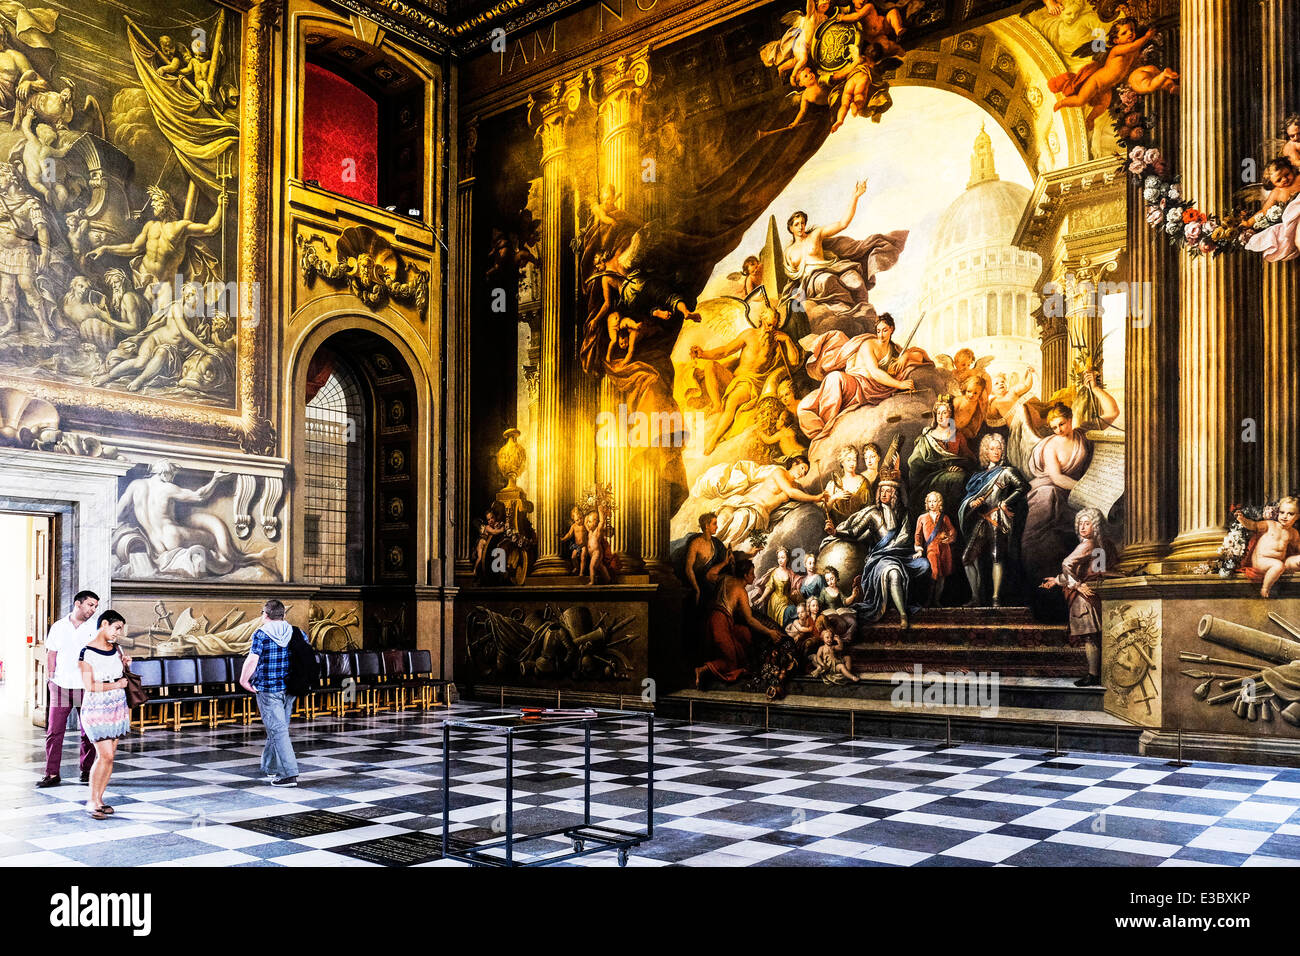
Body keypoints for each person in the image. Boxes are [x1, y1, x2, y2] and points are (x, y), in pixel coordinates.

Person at [1040, 507, 1117, 686]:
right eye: (1080, 523)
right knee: (1096, 637)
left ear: (1095, 526)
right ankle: (1097, 673)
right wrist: (1059, 580)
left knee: (1091, 638)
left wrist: (1076, 585)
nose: (1082, 527)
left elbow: (1067, 564)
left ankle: (1093, 674)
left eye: (1087, 523)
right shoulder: (1102, 544)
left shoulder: (1086, 545)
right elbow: (1095, 572)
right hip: (1095, 593)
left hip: (1084, 599)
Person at [38, 590, 100, 788]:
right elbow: (51, 653)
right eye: (90, 605)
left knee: (88, 732)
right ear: (78, 604)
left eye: (95, 606)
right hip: (61, 686)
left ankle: (87, 770)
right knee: (54, 732)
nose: (93, 609)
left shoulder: (95, 628)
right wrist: (51, 678)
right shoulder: (59, 626)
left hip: (86, 687)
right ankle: (52, 773)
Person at [959, 433, 1028, 607]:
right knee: (967, 558)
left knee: (996, 557)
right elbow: (968, 500)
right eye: (992, 448)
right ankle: (975, 597)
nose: (996, 451)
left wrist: (1005, 502)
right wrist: (972, 502)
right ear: (985, 452)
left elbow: (1023, 487)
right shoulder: (977, 477)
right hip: (982, 519)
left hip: (997, 517)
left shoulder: (1007, 472)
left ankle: (996, 597)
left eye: (999, 448)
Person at [238, 599, 300, 787]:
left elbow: (252, 659)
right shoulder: (296, 632)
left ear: (264, 614)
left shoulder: (261, 634)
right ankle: (270, 766)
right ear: (284, 615)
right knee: (278, 728)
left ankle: (289, 774)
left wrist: (243, 680)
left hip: (268, 689)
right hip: (290, 688)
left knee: (278, 730)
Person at [78, 610, 132, 820]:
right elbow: (89, 685)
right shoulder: (86, 653)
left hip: (117, 707)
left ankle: (100, 799)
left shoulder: (117, 649)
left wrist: (126, 665)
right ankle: (91, 801)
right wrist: (117, 684)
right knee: (105, 755)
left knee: (110, 758)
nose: (119, 633)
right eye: (117, 628)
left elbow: (120, 674)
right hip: (96, 709)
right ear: (104, 624)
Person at [695, 557, 781, 688]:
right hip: (719, 623)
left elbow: (709, 575)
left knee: (744, 633)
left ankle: (745, 664)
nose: (754, 576)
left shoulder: (725, 579)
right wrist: (770, 632)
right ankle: (702, 670)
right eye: (752, 573)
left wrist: (724, 562)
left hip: (718, 621)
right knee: (731, 663)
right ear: (745, 575)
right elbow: (750, 620)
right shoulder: (741, 591)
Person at [1235, 497, 1300, 598]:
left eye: (1290, 514)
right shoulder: (1270, 525)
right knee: (1278, 566)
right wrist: (1242, 520)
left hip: (1280, 562)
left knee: (1292, 561)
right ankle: (1265, 588)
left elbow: (1297, 547)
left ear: (1297, 517)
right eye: (1282, 512)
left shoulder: (1293, 533)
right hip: (1262, 561)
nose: (1285, 516)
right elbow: (1253, 525)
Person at [914, 492, 955, 607]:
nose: (932, 504)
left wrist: (948, 537)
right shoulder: (922, 518)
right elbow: (918, 535)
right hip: (931, 549)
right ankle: (928, 600)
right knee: (934, 573)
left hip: (944, 549)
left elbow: (952, 530)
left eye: (934, 501)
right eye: (930, 501)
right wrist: (919, 549)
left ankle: (936, 600)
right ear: (927, 503)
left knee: (942, 575)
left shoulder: (944, 517)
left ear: (939, 503)